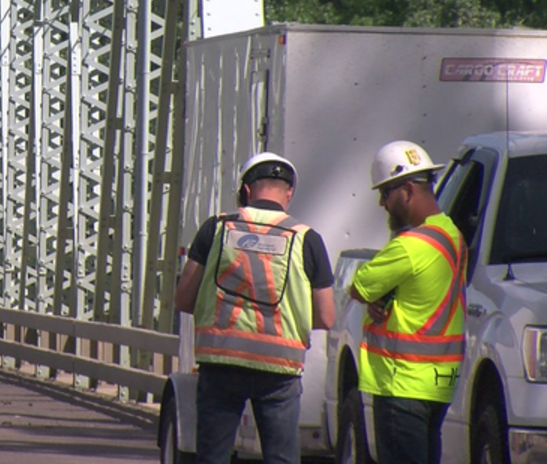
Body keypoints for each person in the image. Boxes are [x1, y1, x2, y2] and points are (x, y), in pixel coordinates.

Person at [175, 153, 336, 464]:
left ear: (246, 190)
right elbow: (327, 316)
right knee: (281, 458)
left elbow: (184, 299)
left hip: (222, 362)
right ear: (289, 193)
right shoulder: (307, 239)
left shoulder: (216, 229)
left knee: (212, 457)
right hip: (279, 368)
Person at [349, 141, 466, 464]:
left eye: (386, 193)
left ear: (408, 190)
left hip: (402, 382)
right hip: (437, 384)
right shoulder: (451, 235)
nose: (382, 203)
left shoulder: (409, 245)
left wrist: (373, 295)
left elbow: (359, 287)